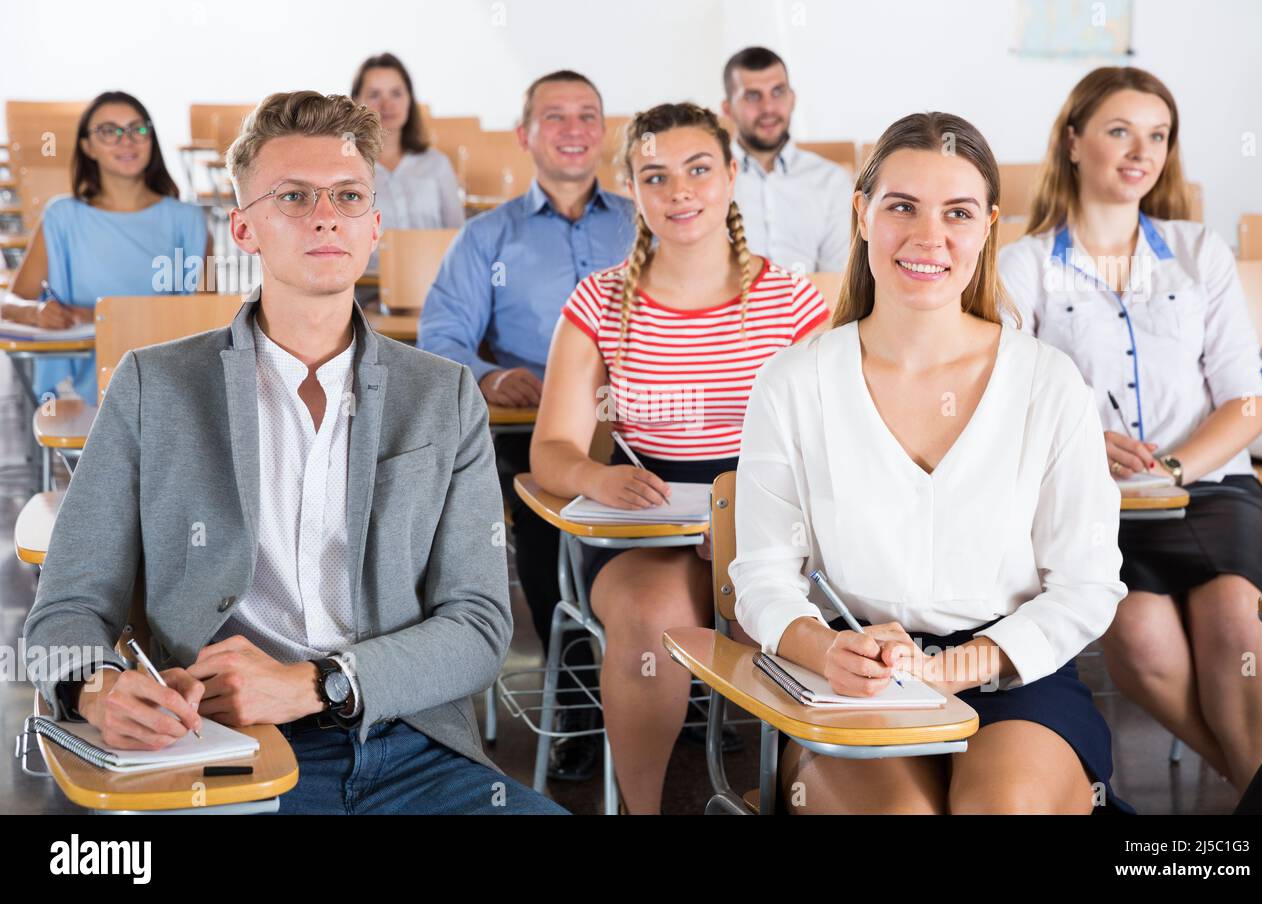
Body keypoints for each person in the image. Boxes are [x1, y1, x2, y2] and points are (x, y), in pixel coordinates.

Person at [22, 90, 565, 815]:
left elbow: (478, 628)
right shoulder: (154, 386)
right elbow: (65, 609)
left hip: (410, 746)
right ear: (243, 229)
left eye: (347, 195)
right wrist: (94, 687)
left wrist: (320, 684)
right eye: (294, 196)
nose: (324, 214)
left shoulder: (445, 395)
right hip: (228, 750)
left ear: (374, 226)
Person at [731, 111, 1133, 814]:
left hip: (1013, 671)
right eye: (902, 207)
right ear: (861, 215)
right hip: (851, 672)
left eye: (957, 212)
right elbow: (762, 577)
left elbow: (1087, 583)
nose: (929, 236)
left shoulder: (1047, 381)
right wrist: (825, 651)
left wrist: (955, 667)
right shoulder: (792, 382)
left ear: (987, 227)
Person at [530, 101, 829, 814]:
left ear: (730, 175)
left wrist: (745, 524)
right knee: (646, 617)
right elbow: (551, 447)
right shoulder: (600, 300)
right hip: (650, 521)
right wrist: (597, 474)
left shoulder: (792, 299)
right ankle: (643, 808)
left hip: (770, 518)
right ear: (631, 187)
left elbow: (831, 447)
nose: (679, 192)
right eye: (655, 176)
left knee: (791, 616)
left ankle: (786, 796)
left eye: (698, 170)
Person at [999, 66, 1262, 794]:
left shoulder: (1197, 252)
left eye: (1157, 136)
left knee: (1236, 627)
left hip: (1209, 494)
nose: (1140, 151)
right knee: (1141, 646)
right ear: (1072, 141)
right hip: (1096, 506)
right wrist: (1085, 445)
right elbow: (1005, 401)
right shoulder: (1024, 267)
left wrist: (1175, 470)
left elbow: (1247, 401)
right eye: (1119, 131)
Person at [418, 70, 636, 781]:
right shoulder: (488, 236)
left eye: (588, 116)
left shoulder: (647, 221)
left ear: (605, 132)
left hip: (648, 424)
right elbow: (439, 337)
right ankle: (579, 699)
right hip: (534, 425)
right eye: (555, 116)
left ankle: (680, 680)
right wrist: (488, 378)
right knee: (548, 521)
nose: (574, 129)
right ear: (525, 135)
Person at [2, 91, 209, 402]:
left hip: (167, 382)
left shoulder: (188, 220)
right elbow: (12, 299)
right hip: (82, 386)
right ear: (88, 147)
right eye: (109, 131)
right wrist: (36, 312)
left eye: (137, 129)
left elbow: (203, 317)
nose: (126, 141)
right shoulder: (62, 216)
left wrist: (98, 315)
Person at [721, 46, 853, 274]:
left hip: (814, 306)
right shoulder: (709, 181)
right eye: (752, 96)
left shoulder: (832, 182)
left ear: (792, 98)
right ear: (728, 109)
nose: (768, 108)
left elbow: (839, 279)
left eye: (778, 92)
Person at [351, 52, 464, 275]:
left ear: (409, 99)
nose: (386, 104)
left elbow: (457, 238)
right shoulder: (345, 167)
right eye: (374, 94)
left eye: (396, 93)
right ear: (356, 101)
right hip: (365, 293)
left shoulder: (437, 164)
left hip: (432, 292)